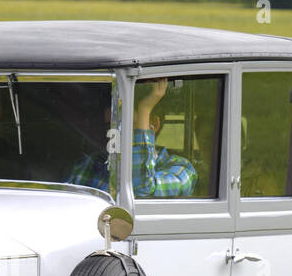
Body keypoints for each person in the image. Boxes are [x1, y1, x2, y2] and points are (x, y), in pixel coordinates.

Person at [67, 79, 198, 197]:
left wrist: (144, 109)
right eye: (110, 126)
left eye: (126, 124)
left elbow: (138, 190)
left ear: (154, 124)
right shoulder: (90, 164)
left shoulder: (181, 169)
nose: (114, 132)